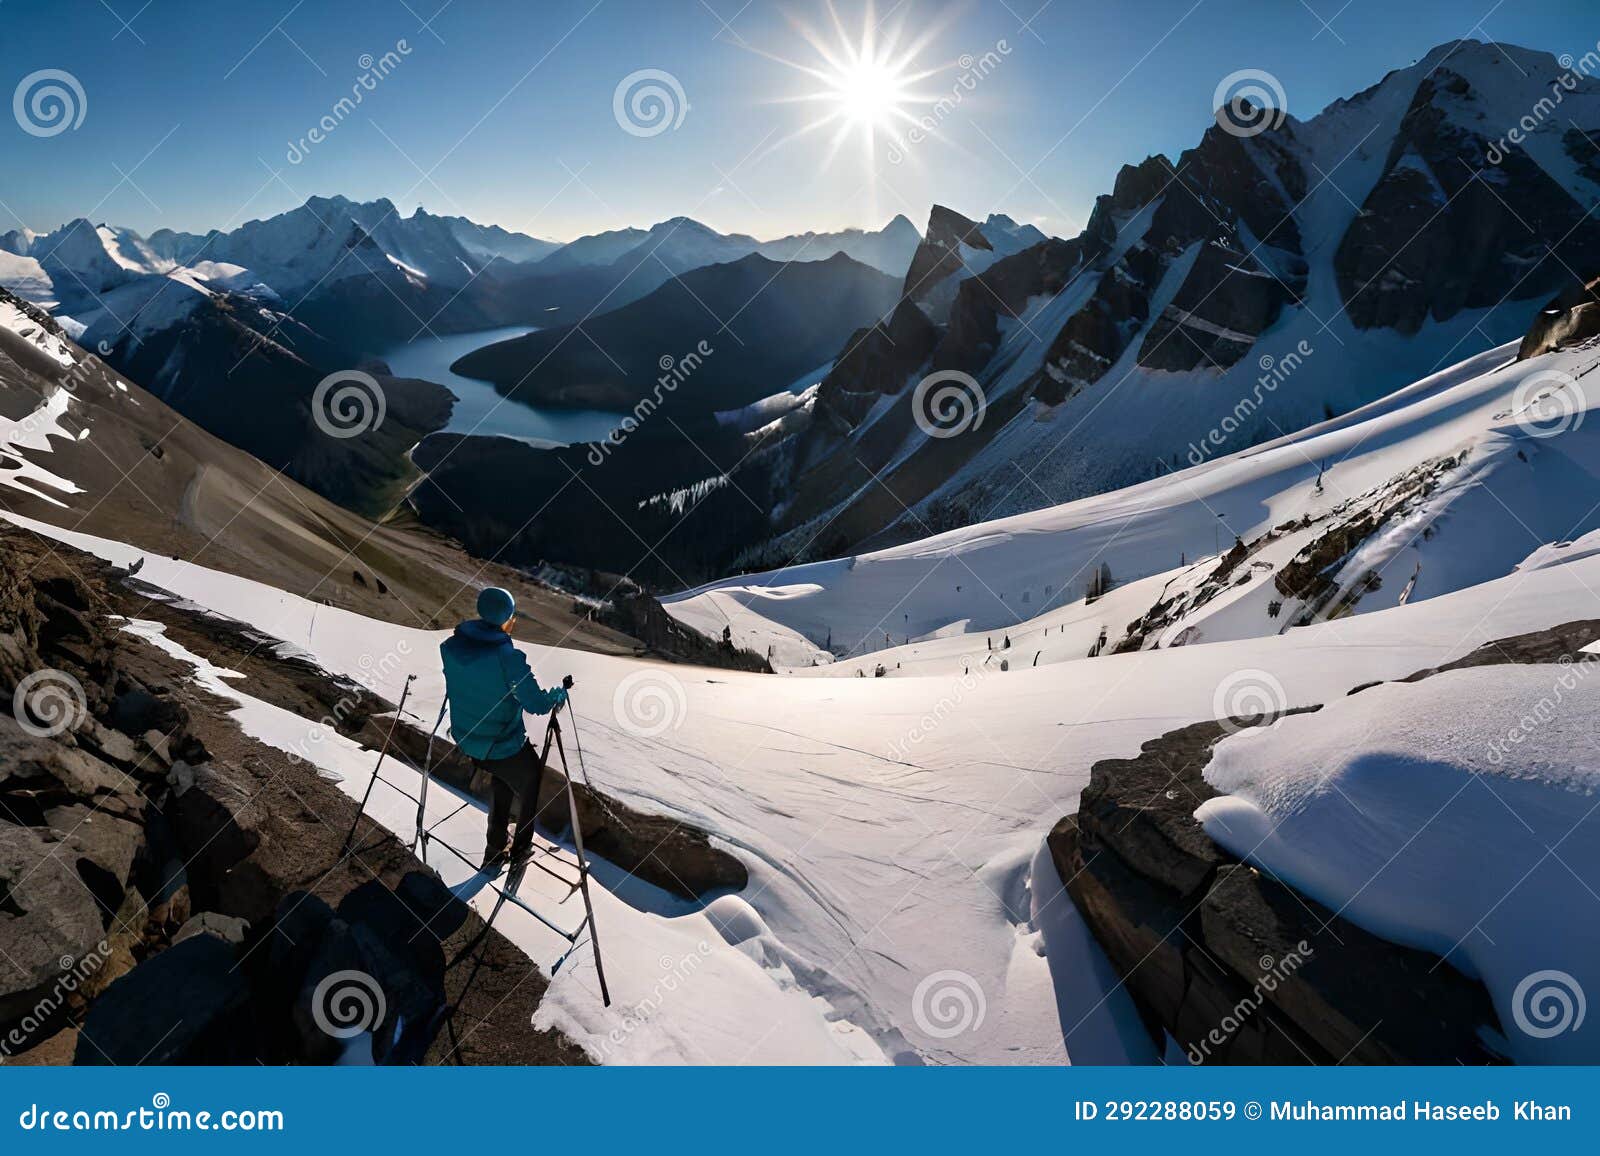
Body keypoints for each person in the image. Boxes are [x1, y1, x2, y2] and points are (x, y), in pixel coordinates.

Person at [440, 587, 572, 872]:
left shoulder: (451, 646)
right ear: (506, 619)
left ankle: (495, 845)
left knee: (506, 774)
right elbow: (535, 703)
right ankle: (520, 848)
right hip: (497, 743)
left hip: (466, 737)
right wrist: (558, 695)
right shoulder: (508, 658)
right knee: (531, 778)